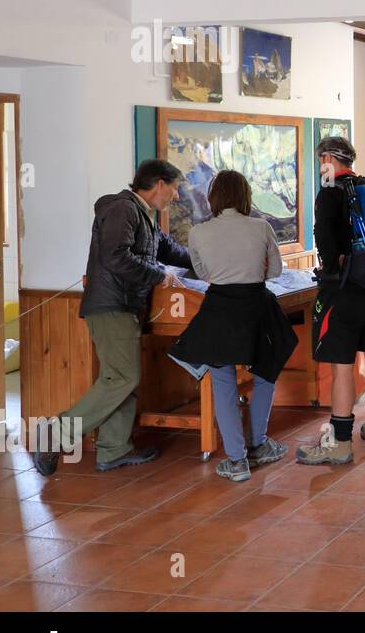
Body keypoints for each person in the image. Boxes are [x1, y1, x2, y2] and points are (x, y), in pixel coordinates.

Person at [33, 160, 191, 476]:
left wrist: (208, 264)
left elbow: (168, 249)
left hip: (123, 305)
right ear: (159, 184)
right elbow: (116, 256)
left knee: (119, 376)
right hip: (112, 306)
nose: (175, 197)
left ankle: (115, 448)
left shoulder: (142, 215)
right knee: (122, 377)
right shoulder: (124, 209)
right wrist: (158, 276)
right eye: (174, 189)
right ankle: (57, 433)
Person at [168, 170, 295, 482]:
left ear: (214, 197)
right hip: (256, 304)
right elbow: (276, 270)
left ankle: (237, 462)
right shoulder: (261, 226)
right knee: (266, 371)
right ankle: (259, 443)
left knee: (222, 380)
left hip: (219, 306)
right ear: (245, 195)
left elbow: (201, 271)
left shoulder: (199, 232)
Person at [296, 136, 365, 464]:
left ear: (328, 158)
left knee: (341, 366)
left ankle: (340, 442)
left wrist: (329, 269)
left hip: (343, 290)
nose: (320, 166)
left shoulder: (330, 192)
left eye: (321, 159)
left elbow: (326, 243)